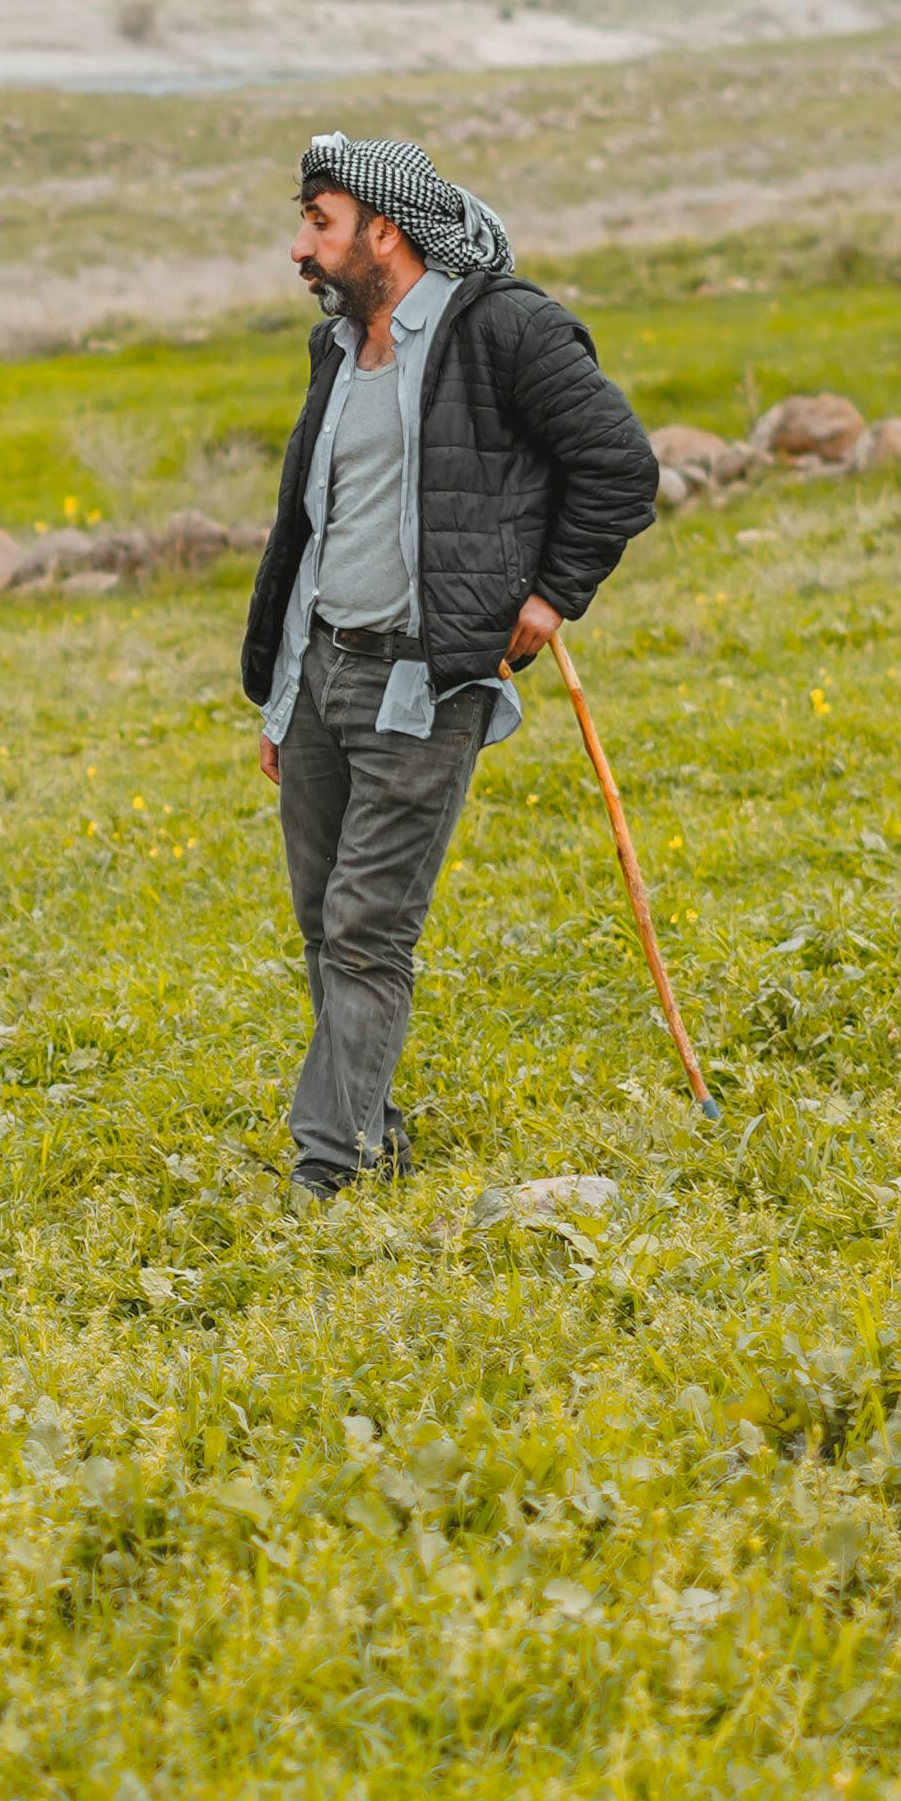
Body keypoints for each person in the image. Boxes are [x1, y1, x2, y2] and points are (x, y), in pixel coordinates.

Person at [242, 130, 661, 1200]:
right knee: (319, 924)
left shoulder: (504, 332)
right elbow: (314, 529)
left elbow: (618, 466)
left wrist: (552, 593)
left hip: (428, 682)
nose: (299, 248)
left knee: (367, 925)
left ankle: (324, 1176)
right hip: (325, 670)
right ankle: (367, 1138)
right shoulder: (335, 349)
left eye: (318, 226)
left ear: (384, 232)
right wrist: (282, 693)